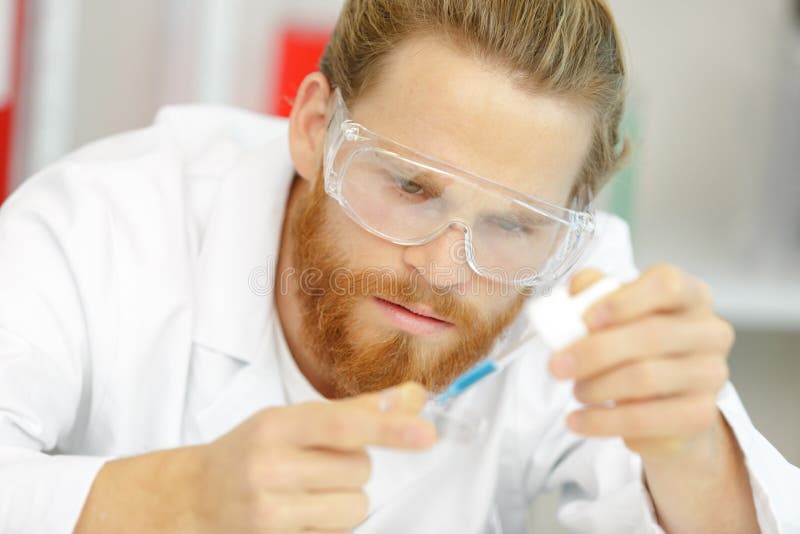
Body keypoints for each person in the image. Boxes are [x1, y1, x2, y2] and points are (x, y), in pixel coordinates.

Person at [0, 1, 797, 533]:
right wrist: (173, 500)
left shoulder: (566, 290)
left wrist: (694, 452)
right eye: (411, 187)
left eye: (513, 222)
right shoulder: (101, 224)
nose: (448, 270)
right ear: (316, 127)